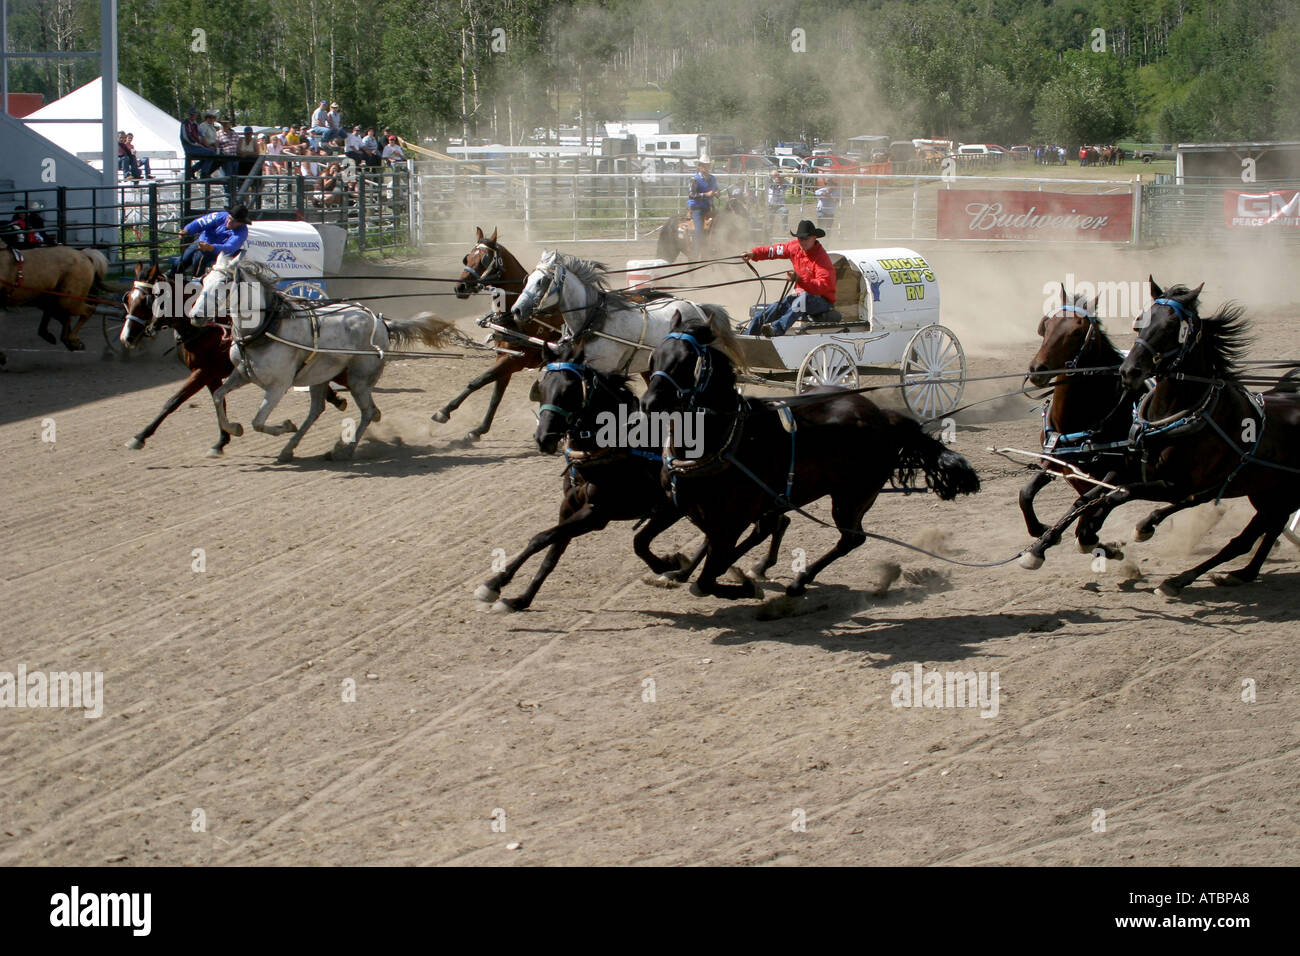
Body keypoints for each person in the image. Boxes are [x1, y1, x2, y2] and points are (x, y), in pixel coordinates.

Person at [742, 220, 836, 337]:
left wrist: (800, 279)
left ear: (814, 238)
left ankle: (776, 329)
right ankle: (747, 336)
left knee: (803, 298)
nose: (802, 242)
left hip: (821, 301)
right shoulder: (795, 248)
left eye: (806, 239)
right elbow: (774, 250)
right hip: (800, 297)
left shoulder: (821, 258)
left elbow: (823, 286)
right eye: (800, 239)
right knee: (770, 310)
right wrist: (754, 254)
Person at [171, 205, 252, 279]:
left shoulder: (242, 233)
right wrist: (187, 230)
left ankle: (197, 280)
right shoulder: (220, 216)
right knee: (184, 258)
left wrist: (212, 247)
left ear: (241, 223)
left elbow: (230, 247)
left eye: (234, 221)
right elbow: (201, 222)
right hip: (201, 242)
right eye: (229, 218)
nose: (229, 222)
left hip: (217, 253)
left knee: (200, 259)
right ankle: (171, 277)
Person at [687, 154, 718, 254]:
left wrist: (717, 193)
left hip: (709, 207)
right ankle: (696, 251)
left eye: (707, 165)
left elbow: (716, 190)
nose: (706, 167)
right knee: (699, 229)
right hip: (697, 208)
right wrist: (706, 194)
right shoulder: (694, 179)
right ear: (699, 166)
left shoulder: (713, 178)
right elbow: (691, 195)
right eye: (704, 165)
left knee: (720, 224)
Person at [766, 169, 789, 234]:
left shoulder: (784, 184)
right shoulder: (771, 183)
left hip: (779, 206)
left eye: (781, 178)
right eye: (778, 177)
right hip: (771, 205)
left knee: (785, 211)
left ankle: (784, 229)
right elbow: (768, 179)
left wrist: (782, 177)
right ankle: (769, 231)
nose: (779, 179)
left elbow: (789, 183)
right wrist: (774, 174)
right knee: (770, 219)